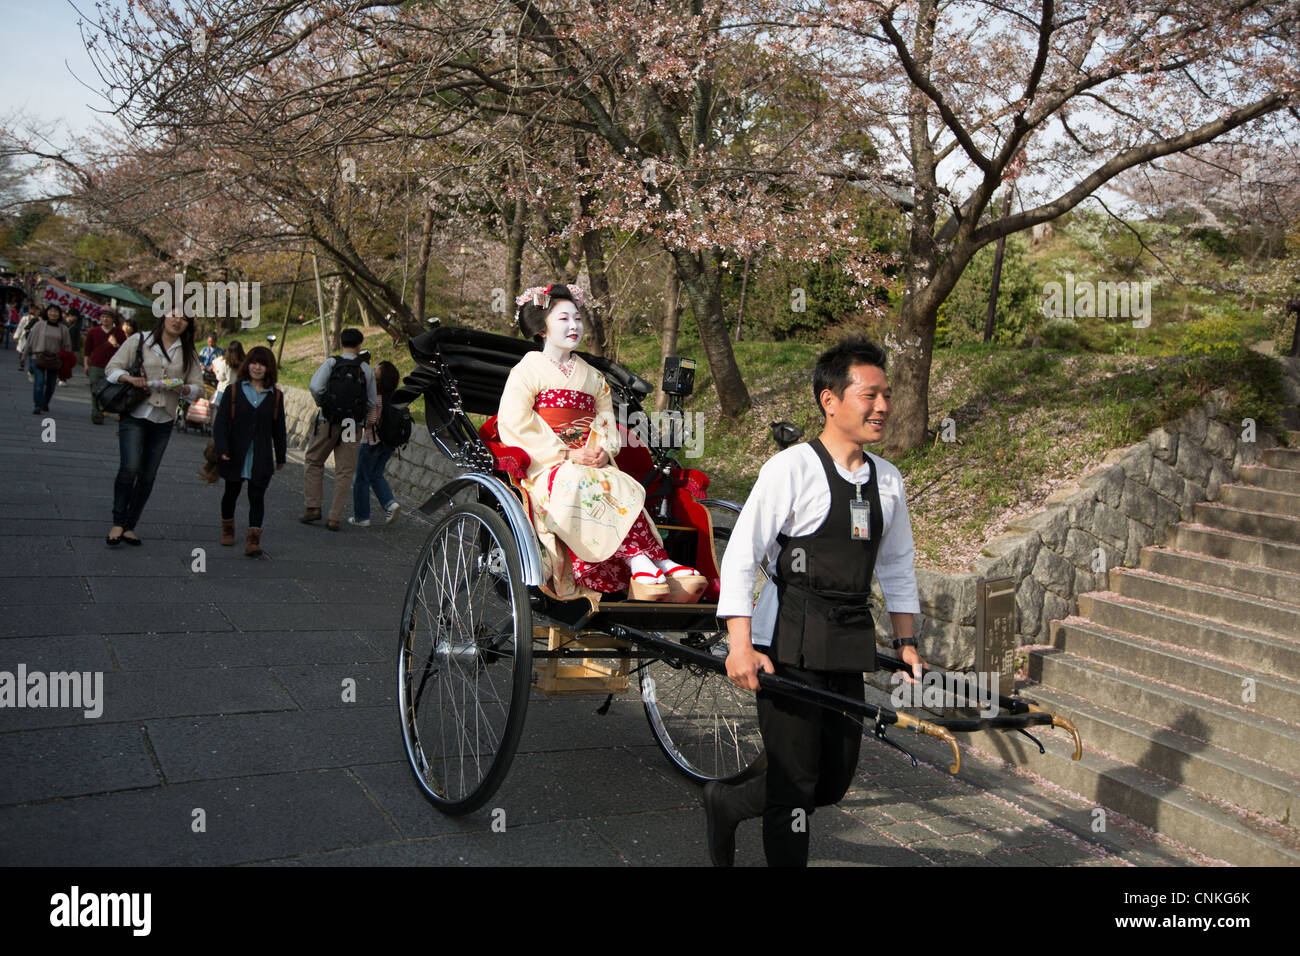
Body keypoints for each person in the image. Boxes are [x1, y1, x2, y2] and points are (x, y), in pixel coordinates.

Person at [705, 337, 926, 867]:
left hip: (847, 639)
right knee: (793, 788)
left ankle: (726, 802)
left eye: (887, 395)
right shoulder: (791, 469)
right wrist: (739, 644)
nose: (883, 407)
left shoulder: (888, 481)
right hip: (786, 639)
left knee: (829, 784)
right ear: (831, 400)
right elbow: (740, 555)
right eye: (869, 395)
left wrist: (908, 641)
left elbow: (896, 566)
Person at [497, 283, 706, 603]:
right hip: (548, 465)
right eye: (563, 318)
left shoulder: (593, 377)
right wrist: (566, 452)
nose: (574, 326)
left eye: (577, 319)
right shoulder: (526, 370)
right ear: (542, 327)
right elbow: (514, 422)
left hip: (588, 460)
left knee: (619, 481)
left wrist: (602, 450)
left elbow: (605, 423)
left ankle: (653, 560)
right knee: (578, 480)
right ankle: (642, 560)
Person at [103, 309, 204, 546]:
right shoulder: (140, 340)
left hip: (164, 418)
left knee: (148, 476)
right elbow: (112, 368)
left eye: (184, 318)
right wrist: (129, 378)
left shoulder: (188, 352)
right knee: (129, 468)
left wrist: (185, 389)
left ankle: (130, 525)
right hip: (136, 413)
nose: (178, 320)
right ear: (164, 316)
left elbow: (198, 386)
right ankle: (118, 522)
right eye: (174, 314)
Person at [213, 346, 287, 556]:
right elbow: (222, 424)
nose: (257, 367)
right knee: (231, 493)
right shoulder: (234, 391)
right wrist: (222, 449)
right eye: (254, 362)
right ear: (248, 364)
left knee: (257, 497)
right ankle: (228, 528)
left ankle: (253, 540)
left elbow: (279, 429)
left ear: (269, 368)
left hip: (261, 457)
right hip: (235, 453)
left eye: (262, 364)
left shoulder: (276, 397)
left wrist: (280, 456)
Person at [301, 328, 376, 531]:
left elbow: (315, 387)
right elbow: (371, 400)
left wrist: (323, 403)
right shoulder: (365, 369)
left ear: (341, 343)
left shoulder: (332, 363)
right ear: (360, 345)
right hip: (352, 424)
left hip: (329, 420)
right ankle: (335, 517)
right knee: (344, 471)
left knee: (314, 461)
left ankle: (313, 507)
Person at [349, 360, 402, 527]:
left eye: (376, 370)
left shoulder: (375, 397)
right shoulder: (391, 398)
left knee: (361, 479)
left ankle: (362, 517)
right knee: (375, 474)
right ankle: (390, 504)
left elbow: (371, 420)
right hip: (388, 442)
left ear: (380, 379)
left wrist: (361, 416)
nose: (373, 371)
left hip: (371, 442)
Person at [19, 305, 72, 414]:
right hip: (38, 357)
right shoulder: (39, 325)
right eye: (51, 311)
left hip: (55, 359)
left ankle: (45, 403)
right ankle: (37, 405)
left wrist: (67, 361)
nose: (53, 314)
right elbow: (30, 341)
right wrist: (24, 356)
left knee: (51, 385)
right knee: (39, 382)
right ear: (46, 313)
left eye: (56, 312)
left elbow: (67, 347)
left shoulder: (64, 329)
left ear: (59, 314)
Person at [83, 307, 127, 424]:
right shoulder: (93, 331)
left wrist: (115, 344)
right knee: (95, 389)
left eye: (108, 317)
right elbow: (87, 350)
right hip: (96, 365)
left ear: (113, 319)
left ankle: (103, 409)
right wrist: (86, 364)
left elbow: (124, 351)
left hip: (112, 367)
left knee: (109, 390)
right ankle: (96, 413)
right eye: (102, 316)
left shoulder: (119, 333)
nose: (105, 319)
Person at [212, 339, 244, 405]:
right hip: (238, 391)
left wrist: (215, 371)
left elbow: (220, 378)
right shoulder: (243, 362)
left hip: (223, 390)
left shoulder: (225, 363)